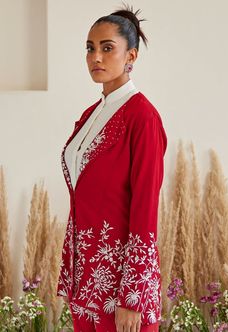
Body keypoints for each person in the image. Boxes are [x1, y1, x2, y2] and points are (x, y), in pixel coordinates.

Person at [56, 3, 167, 332]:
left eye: (108, 48)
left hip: (121, 292)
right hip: (85, 282)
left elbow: (145, 208)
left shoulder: (143, 118)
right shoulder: (91, 114)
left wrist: (132, 297)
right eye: (90, 48)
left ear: (131, 56)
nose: (96, 58)